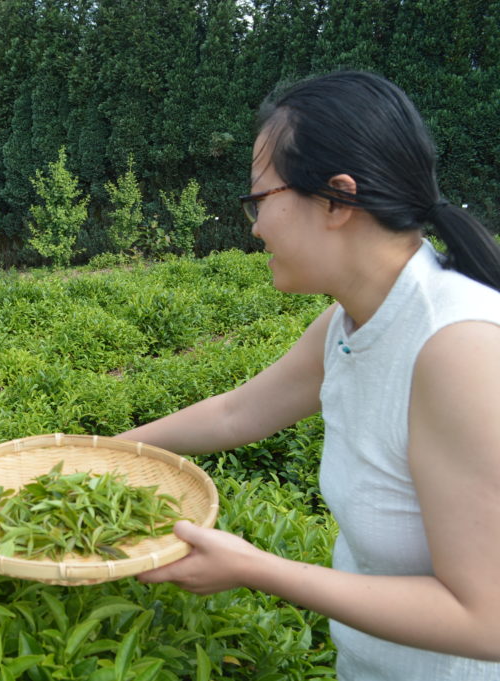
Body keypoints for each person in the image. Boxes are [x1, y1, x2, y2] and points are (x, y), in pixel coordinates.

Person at [119, 71, 500, 680]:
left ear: (335, 198)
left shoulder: (459, 349)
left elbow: (488, 621)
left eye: (258, 200)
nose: (255, 228)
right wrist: (97, 453)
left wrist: (252, 567)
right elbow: (235, 412)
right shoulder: (350, 324)